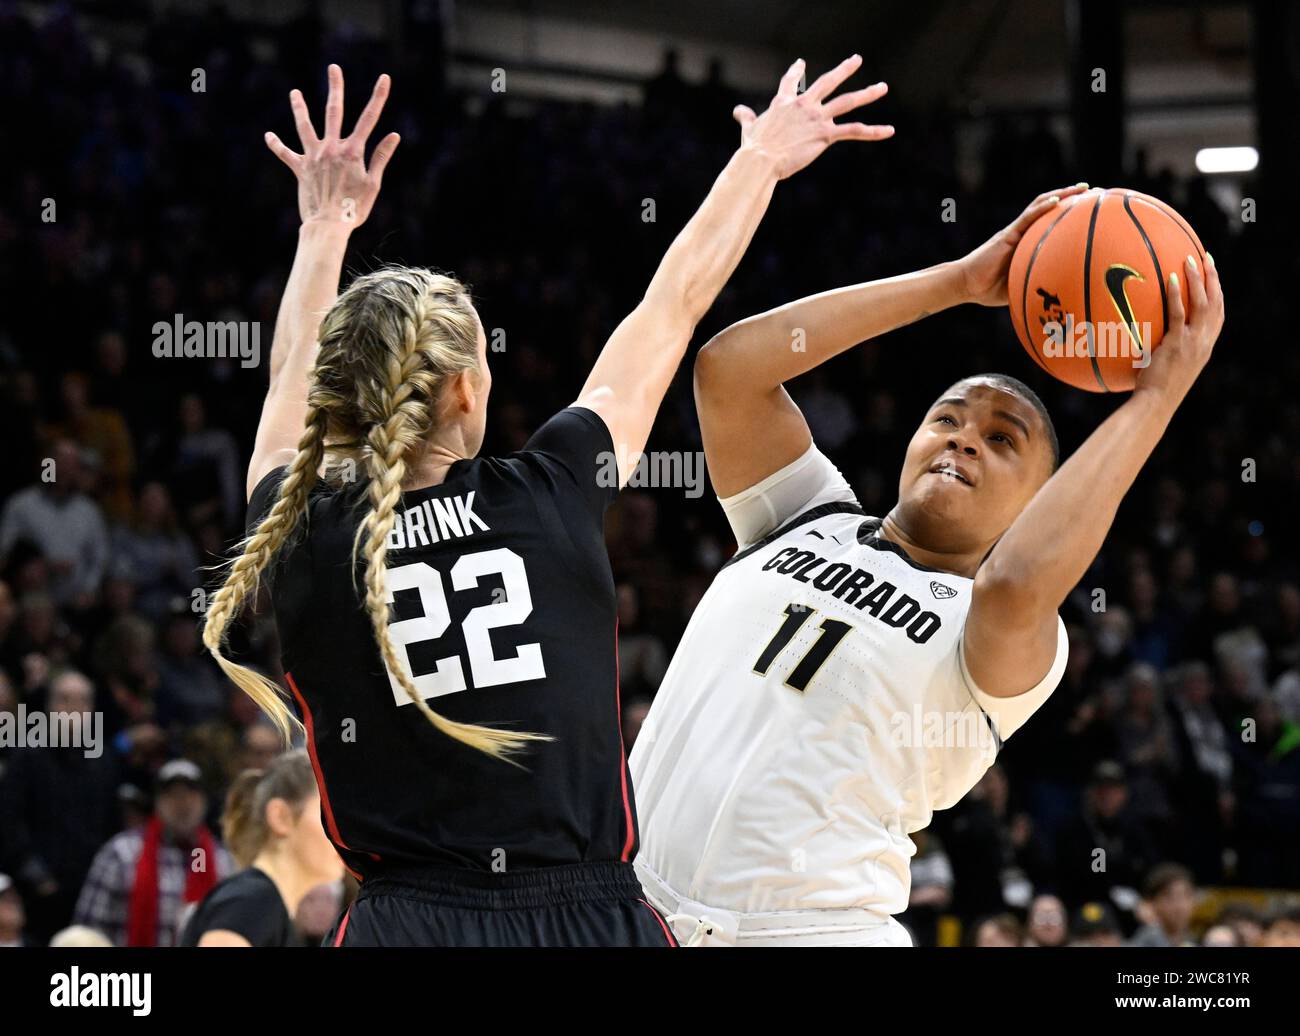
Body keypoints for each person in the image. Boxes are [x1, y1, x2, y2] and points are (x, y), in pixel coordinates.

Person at [202, 61, 892, 947]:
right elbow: (671, 306)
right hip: (588, 918)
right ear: (463, 390)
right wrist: (758, 158)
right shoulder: (553, 490)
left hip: (404, 926)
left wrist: (323, 227)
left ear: (333, 405)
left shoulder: (299, 530)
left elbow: (285, 378)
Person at [630, 187, 1225, 946]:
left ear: (1040, 502)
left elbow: (1017, 579)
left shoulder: (1000, 626)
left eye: (1002, 439)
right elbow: (728, 370)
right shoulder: (806, 514)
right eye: (947, 419)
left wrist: (1156, 399)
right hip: (629, 905)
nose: (965, 438)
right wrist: (958, 282)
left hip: (812, 931)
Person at [181, 749, 342, 946]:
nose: (345, 830)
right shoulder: (254, 900)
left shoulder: (263, 903)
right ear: (281, 817)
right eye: (329, 812)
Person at [74, 758, 233, 946]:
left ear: (204, 802)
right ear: (158, 802)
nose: (182, 804)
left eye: (190, 794)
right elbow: (86, 933)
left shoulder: (222, 859)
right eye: (173, 795)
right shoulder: (121, 854)